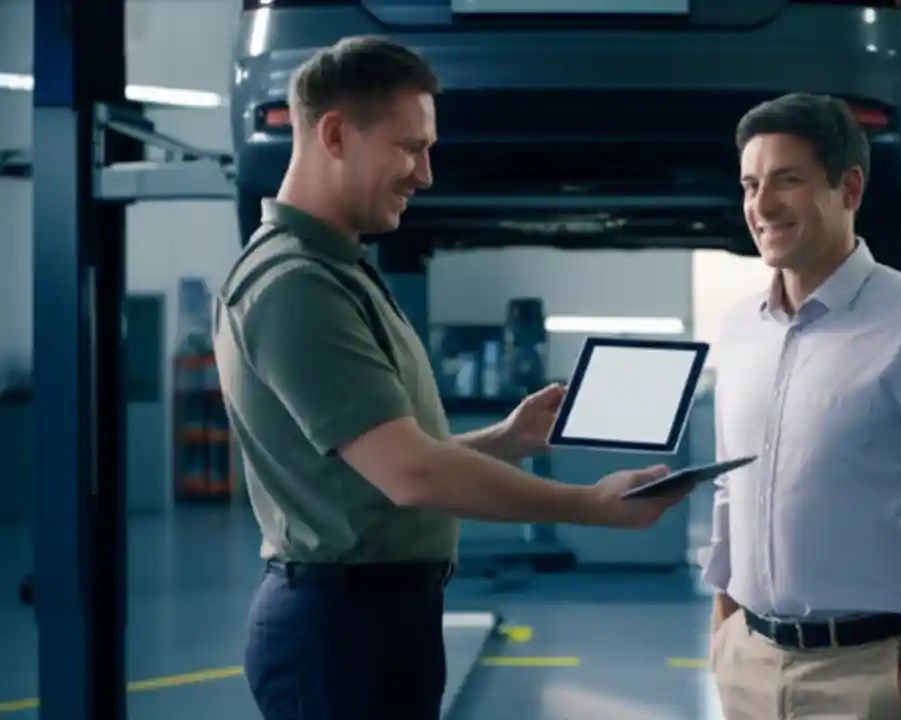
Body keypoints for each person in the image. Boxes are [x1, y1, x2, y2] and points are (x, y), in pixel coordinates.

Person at [212, 36, 690, 720]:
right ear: (337, 134)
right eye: (410, 147)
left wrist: (507, 438)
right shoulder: (294, 288)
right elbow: (413, 476)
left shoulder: (338, 271)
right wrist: (590, 506)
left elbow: (378, 475)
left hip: (373, 620)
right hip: (341, 636)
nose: (426, 173)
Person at [700, 93, 901, 719]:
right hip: (746, 665)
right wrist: (723, 624)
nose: (761, 204)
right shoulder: (741, 328)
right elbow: (730, 490)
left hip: (868, 677)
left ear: (849, 187)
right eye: (750, 184)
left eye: (787, 180)